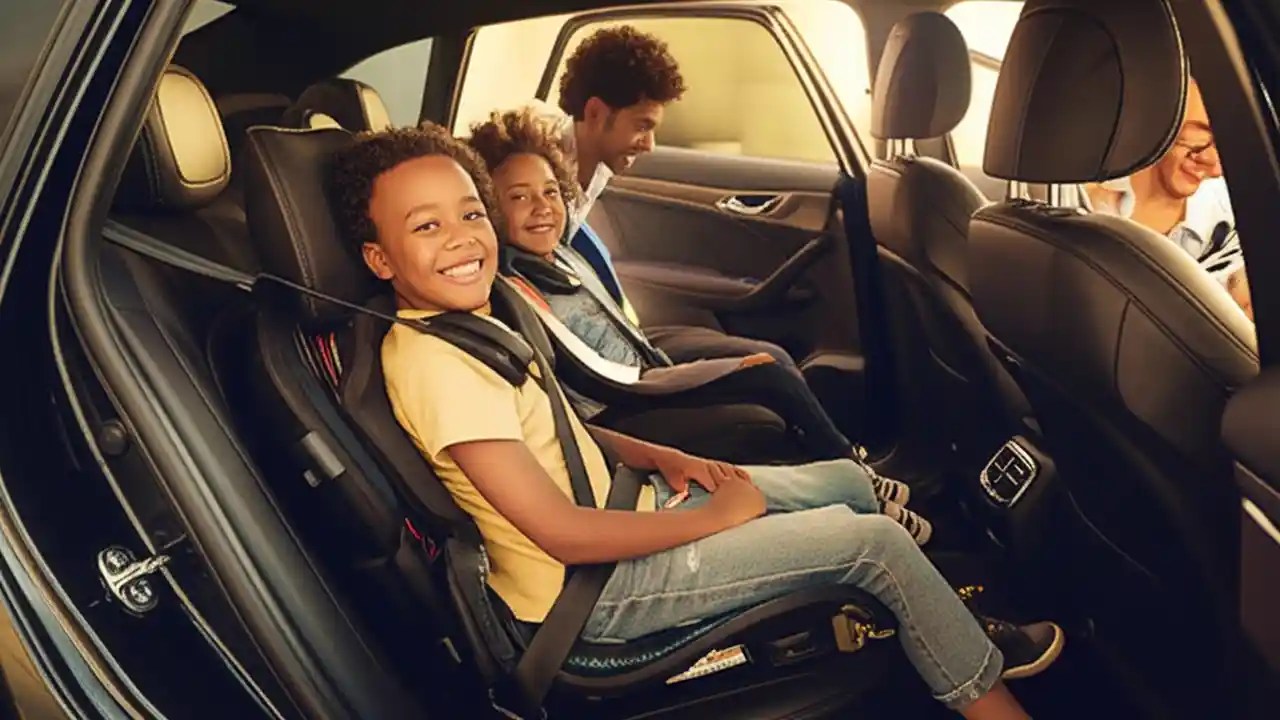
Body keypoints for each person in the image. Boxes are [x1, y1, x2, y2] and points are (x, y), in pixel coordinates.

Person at [327, 123, 1066, 719]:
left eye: (469, 214)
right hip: (592, 598)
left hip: (621, 515)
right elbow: (560, 532)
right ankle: (983, 686)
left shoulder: (472, 323)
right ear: (378, 258)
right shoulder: (436, 366)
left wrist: (655, 455)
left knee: (845, 477)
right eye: (426, 226)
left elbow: (553, 430)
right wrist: (717, 519)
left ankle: (941, 615)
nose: (461, 237)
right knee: (872, 544)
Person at [467, 107, 929, 543]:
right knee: (765, 372)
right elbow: (593, 376)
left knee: (774, 361)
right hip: (624, 401)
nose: (543, 206)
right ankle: (856, 487)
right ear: (490, 210)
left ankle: (847, 475)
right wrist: (690, 377)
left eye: (550, 192)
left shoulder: (558, 252)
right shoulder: (515, 283)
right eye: (519, 197)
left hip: (639, 362)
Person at [524, 25, 811, 369]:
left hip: (618, 333)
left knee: (773, 359)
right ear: (596, 113)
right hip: (593, 354)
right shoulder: (541, 183)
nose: (650, 144)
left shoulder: (595, 162)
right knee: (770, 367)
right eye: (643, 126)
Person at [1085, 77, 1252, 319]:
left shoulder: (1231, 218)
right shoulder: (1078, 210)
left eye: (1227, 147)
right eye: (1200, 138)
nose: (1214, 168)